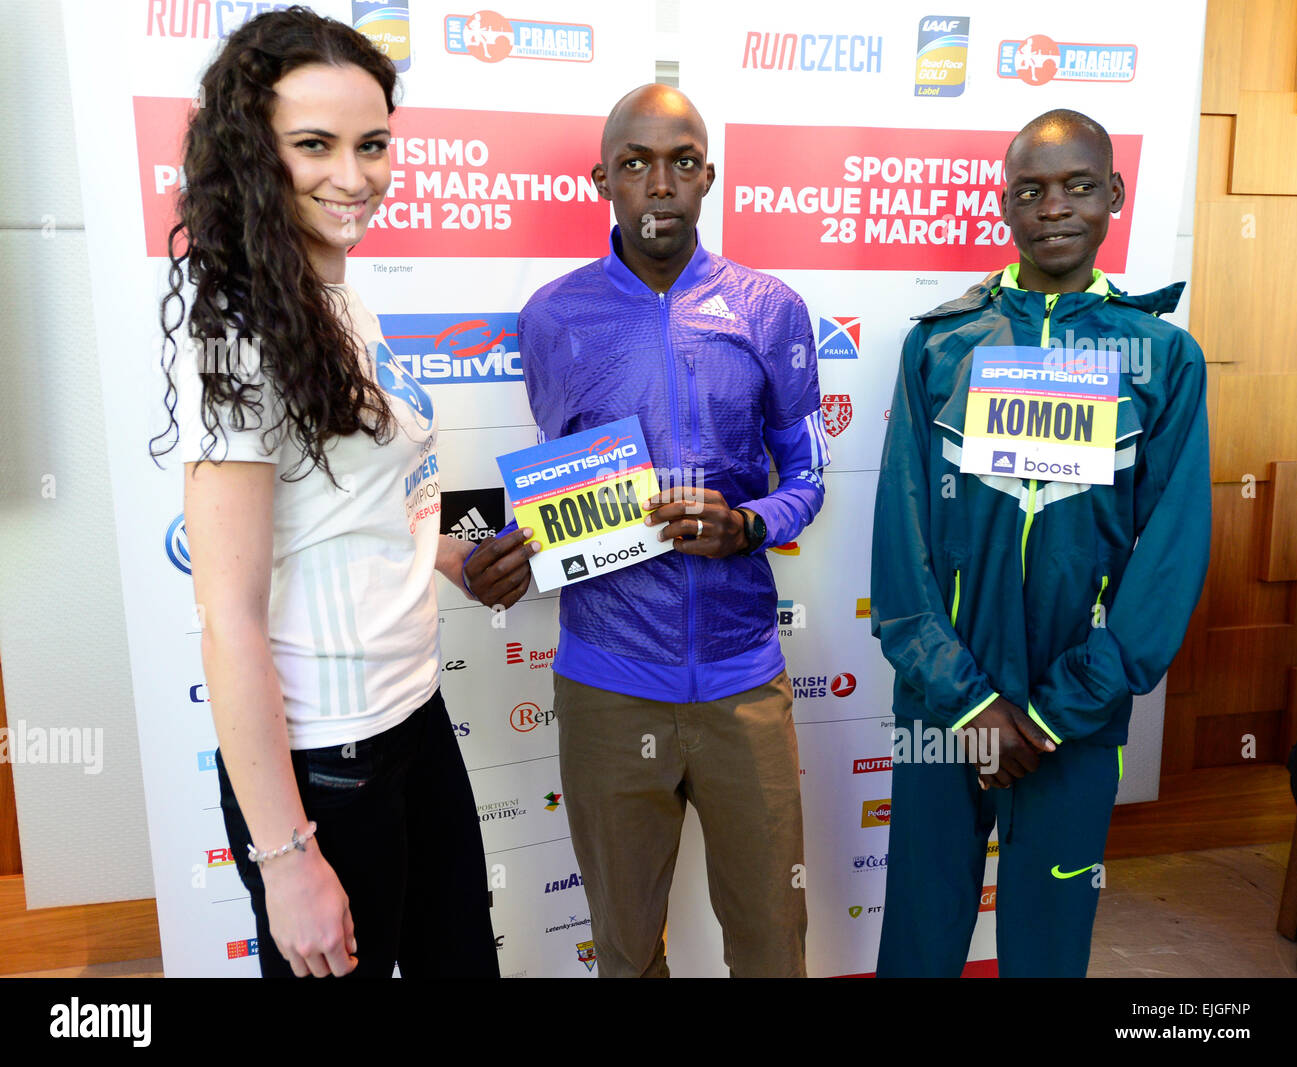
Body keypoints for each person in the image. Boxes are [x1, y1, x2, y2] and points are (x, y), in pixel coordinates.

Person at [153, 8, 533, 978]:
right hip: (331, 756)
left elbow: (359, 507)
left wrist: (452, 553)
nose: (354, 176)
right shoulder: (238, 336)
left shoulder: (335, 292)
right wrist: (286, 861)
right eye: (314, 146)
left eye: (373, 146)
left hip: (412, 714)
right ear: (251, 153)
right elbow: (227, 617)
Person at [871, 109, 1210, 977]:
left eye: (1078, 186)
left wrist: (1065, 705)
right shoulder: (941, 345)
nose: (1054, 207)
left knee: (1051, 939)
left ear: (1115, 196)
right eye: (1032, 190)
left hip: (1077, 704)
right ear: (1006, 205)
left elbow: (1168, 554)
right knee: (921, 921)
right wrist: (968, 701)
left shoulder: (1162, 356)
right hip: (950, 701)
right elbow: (900, 540)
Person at [502, 83, 828, 977]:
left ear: (708, 177)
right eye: (637, 163)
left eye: (682, 163)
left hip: (741, 680)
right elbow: (557, 486)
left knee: (770, 940)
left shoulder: (771, 310)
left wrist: (749, 523)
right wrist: (510, 546)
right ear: (602, 176)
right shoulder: (552, 316)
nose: (660, 183)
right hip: (607, 682)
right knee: (624, 946)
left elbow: (808, 478)